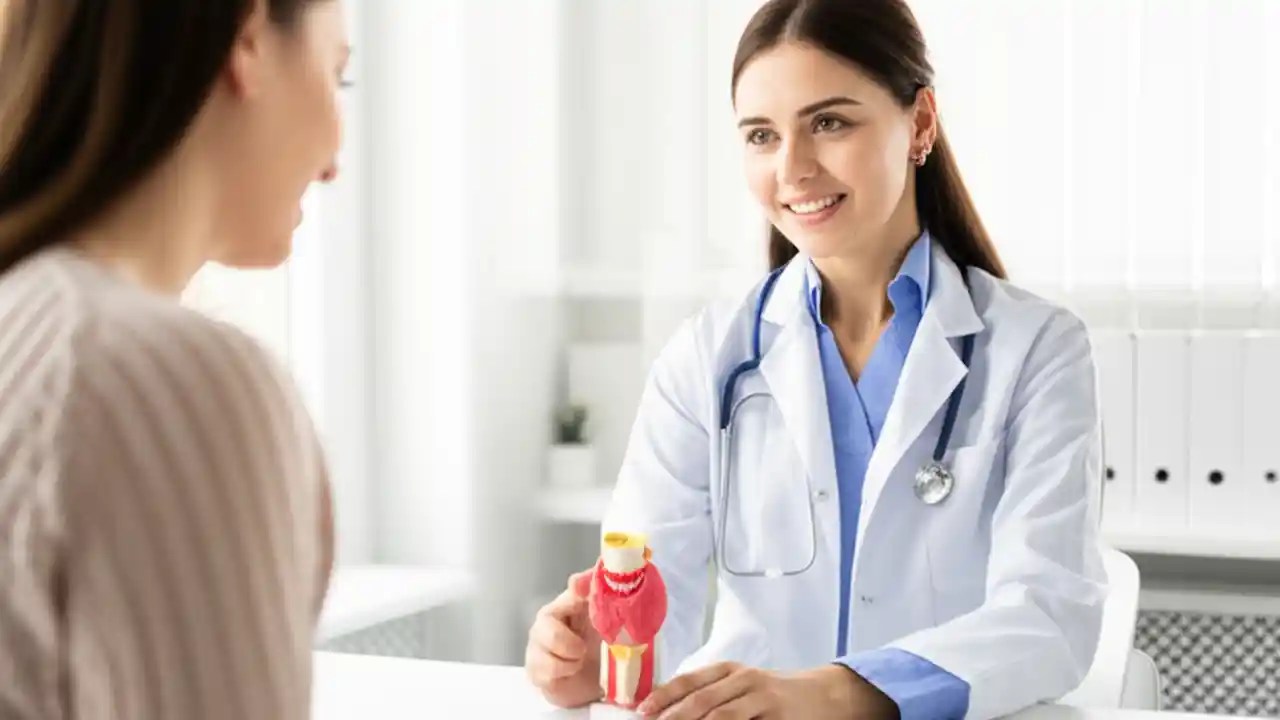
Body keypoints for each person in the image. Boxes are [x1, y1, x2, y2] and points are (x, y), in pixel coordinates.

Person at [525, 0, 1107, 718]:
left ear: (919, 123)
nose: (792, 168)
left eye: (829, 122)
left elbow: (1047, 617)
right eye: (762, 136)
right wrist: (599, 657)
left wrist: (837, 693)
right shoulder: (709, 358)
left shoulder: (1036, 350)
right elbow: (649, 595)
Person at [0, 1, 349, 717]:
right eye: (337, 74)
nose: (335, 163)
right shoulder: (160, 381)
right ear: (248, 38)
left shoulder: (32, 330)